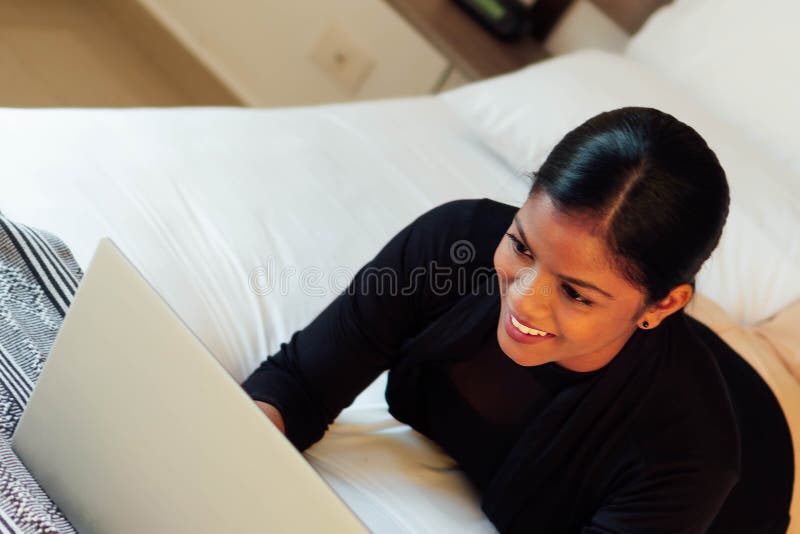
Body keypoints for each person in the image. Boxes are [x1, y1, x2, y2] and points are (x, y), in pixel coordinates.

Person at [241, 107, 794, 533]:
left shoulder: (692, 457)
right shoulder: (454, 244)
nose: (524, 302)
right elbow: (297, 384)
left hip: (750, 464)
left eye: (575, 292)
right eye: (523, 247)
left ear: (663, 304)